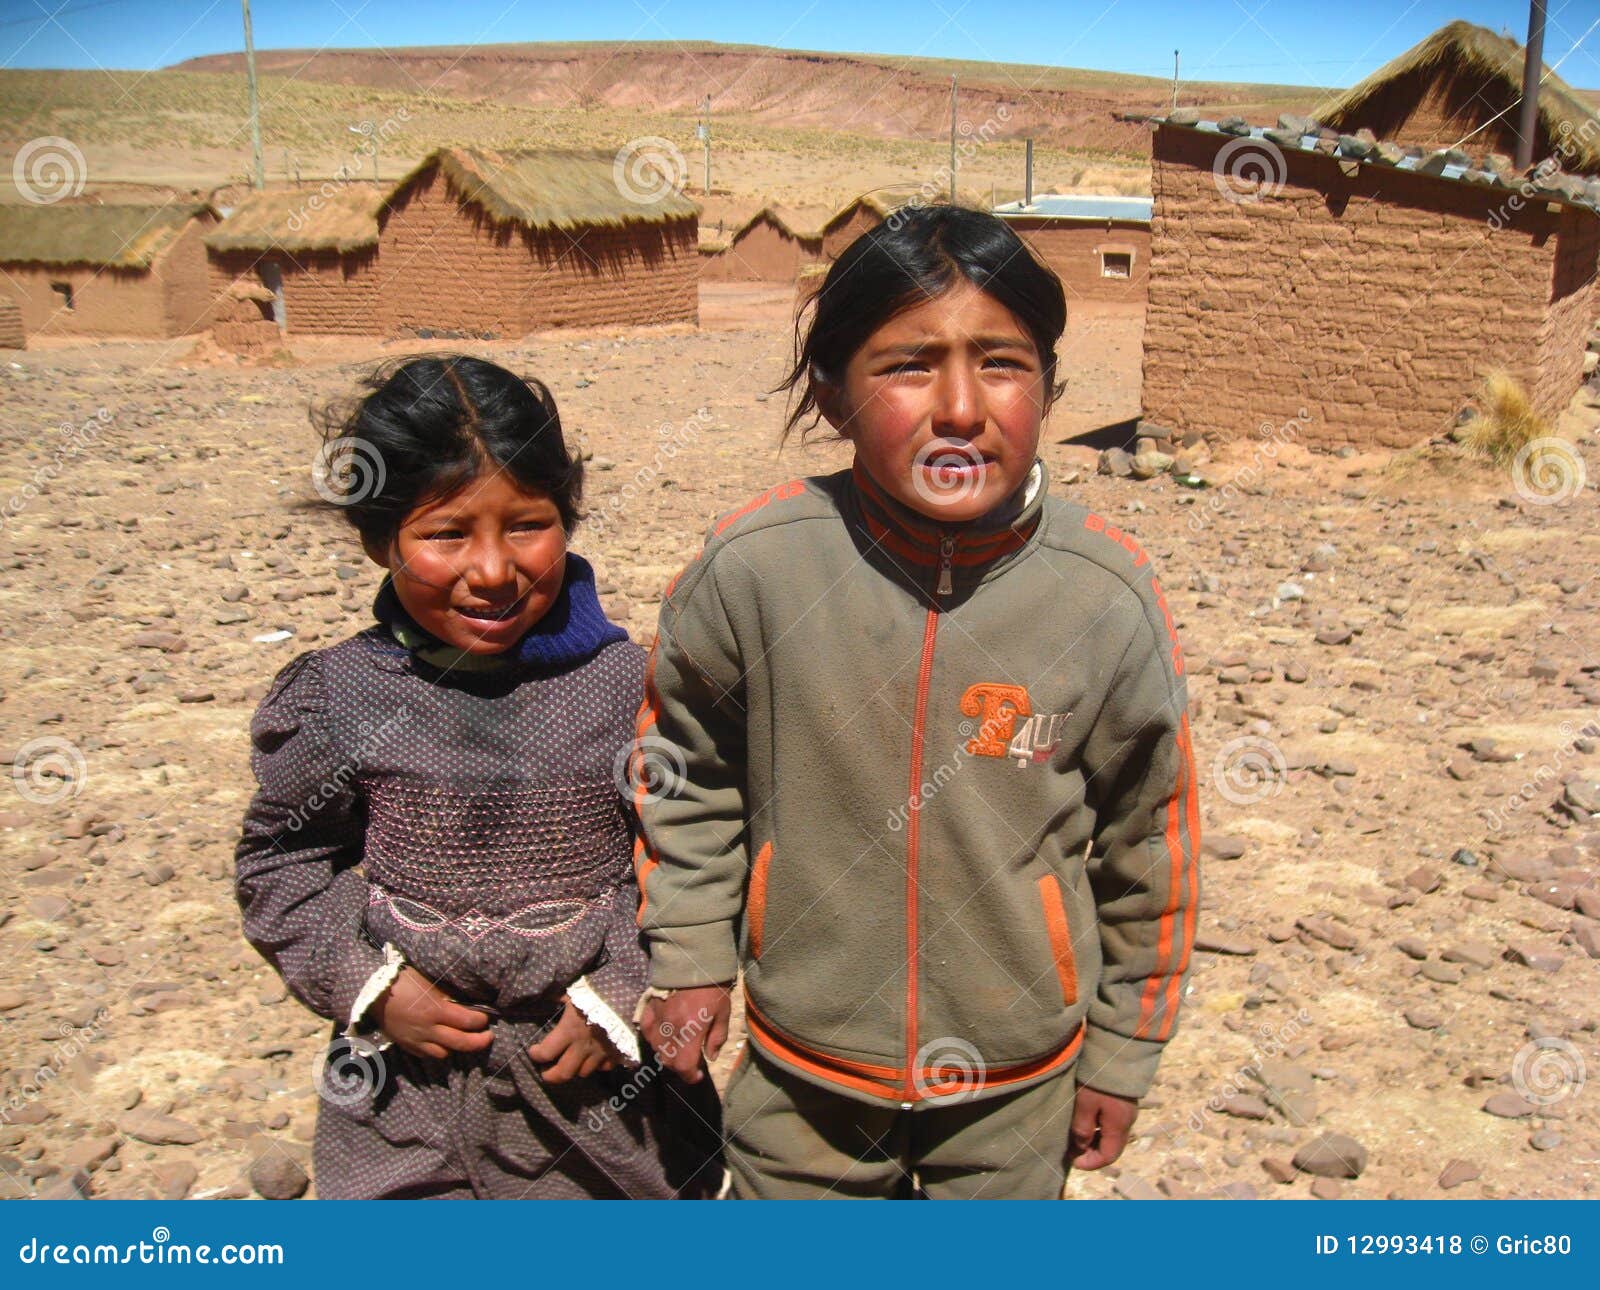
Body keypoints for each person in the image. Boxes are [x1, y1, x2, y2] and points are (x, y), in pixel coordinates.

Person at [633, 205, 1200, 1199]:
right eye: (905, 366)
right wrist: (689, 955)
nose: (959, 407)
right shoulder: (755, 569)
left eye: (1001, 362)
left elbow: (1149, 837)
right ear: (832, 396)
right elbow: (688, 777)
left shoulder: (1103, 595)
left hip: (1017, 1092)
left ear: (1052, 387)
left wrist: (1121, 1049)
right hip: (800, 1081)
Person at [235, 355, 719, 1199]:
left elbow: (691, 863)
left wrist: (620, 995)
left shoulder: (629, 689)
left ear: (566, 518)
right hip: (400, 1102)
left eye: (526, 524)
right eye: (446, 533)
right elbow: (282, 864)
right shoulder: (342, 695)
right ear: (379, 539)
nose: (493, 570)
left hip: (595, 1094)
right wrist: (370, 987)